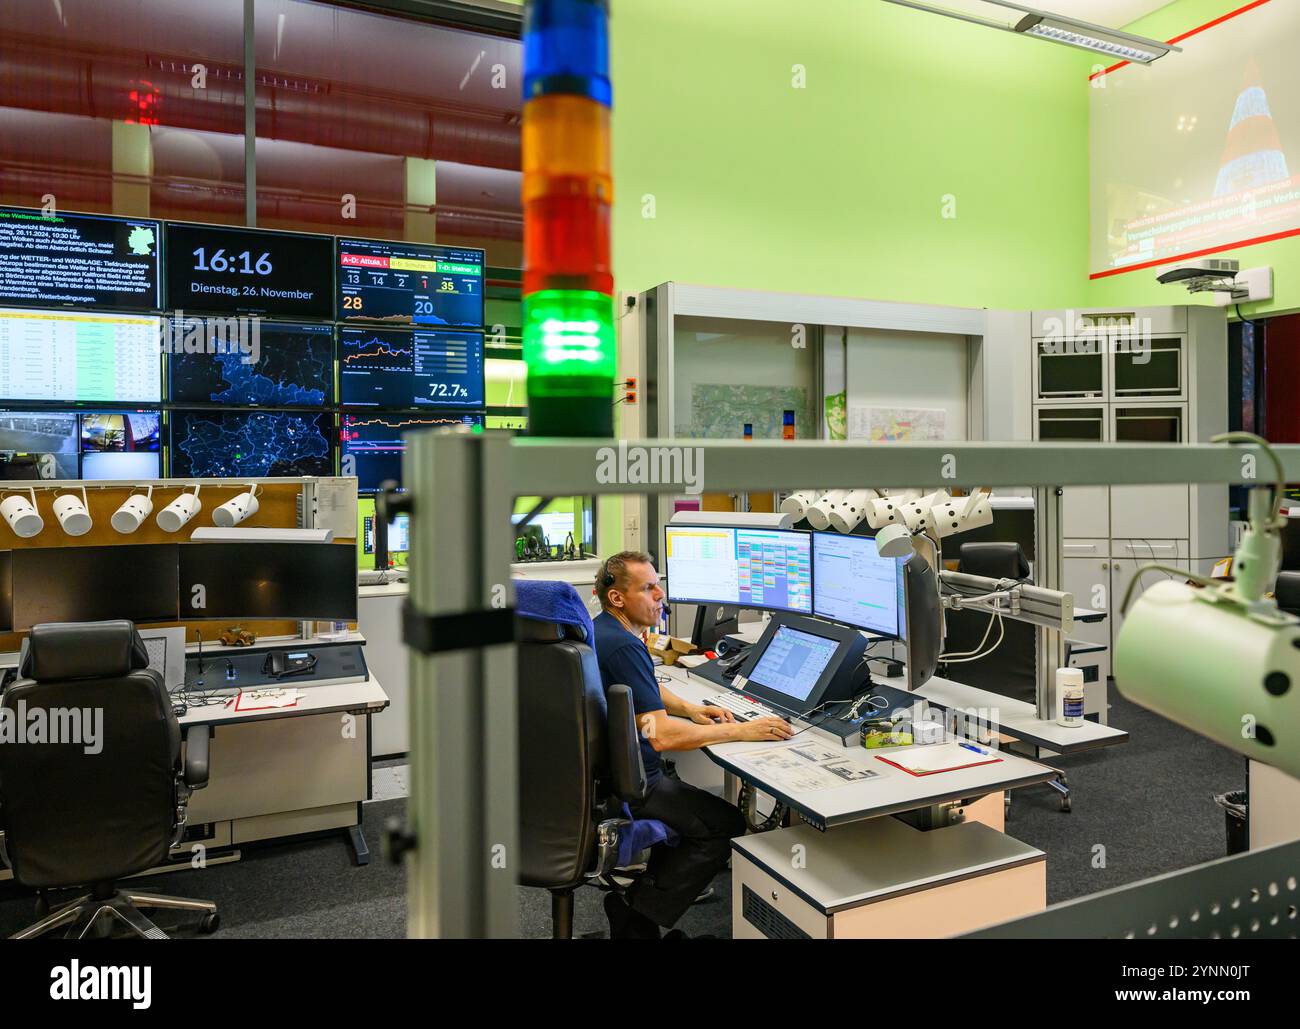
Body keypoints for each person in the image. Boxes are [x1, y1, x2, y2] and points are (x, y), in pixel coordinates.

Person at [590, 551, 793, 939]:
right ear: (617, 598)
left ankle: (637, 910)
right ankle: (635, 917)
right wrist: (741, 731)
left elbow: (641, 690)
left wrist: (690, 707)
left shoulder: (604, 631)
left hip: (608, 774)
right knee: (723, 824)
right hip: (634, 784)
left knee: (692, 810)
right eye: (648, 588)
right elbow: (662, 735)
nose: (660, 594)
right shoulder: (625, 646)